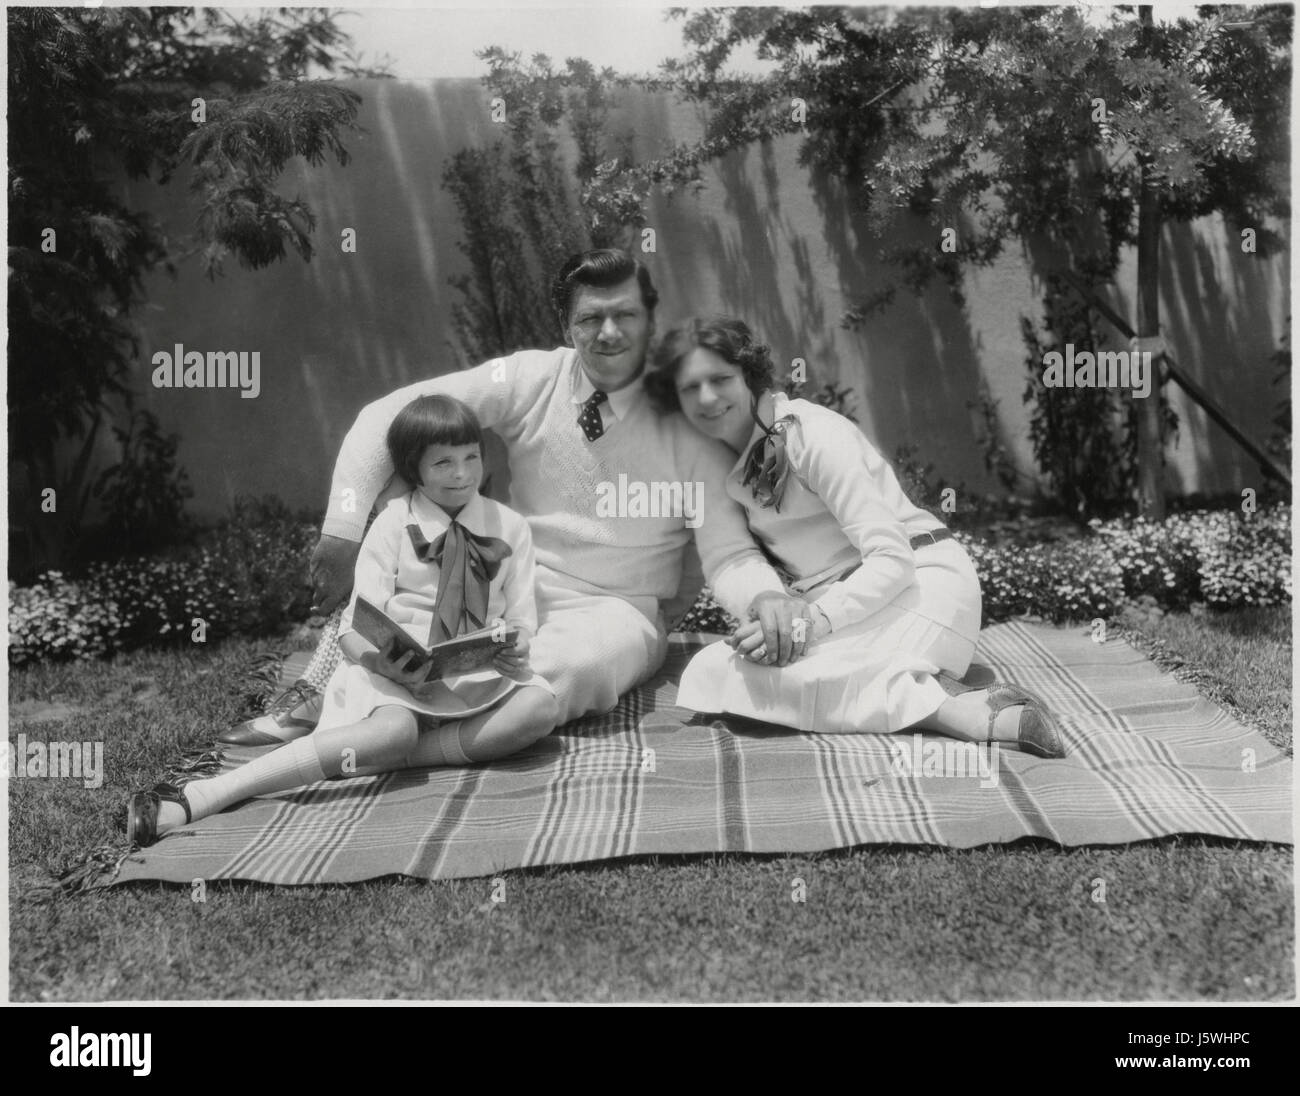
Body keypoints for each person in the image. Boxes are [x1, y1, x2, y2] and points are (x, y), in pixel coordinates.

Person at [224, 249, 795, 750]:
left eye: (625, 315)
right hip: (508, 581)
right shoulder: (530, 378)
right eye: (590, 318)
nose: (609, 333)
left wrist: (766, 596)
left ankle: (396, 734)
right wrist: (344, 530)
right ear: (565, 326)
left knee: (569, 666)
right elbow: (388, 415)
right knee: (411, 493)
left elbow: (727, 550)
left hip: (619, 611)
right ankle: (346, 695)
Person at [127, 395, 559, 845]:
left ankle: (395, 755)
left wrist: (518, 647)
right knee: (395, 727)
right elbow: (355, 631)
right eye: (444, 463)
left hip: (476, 680)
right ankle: (205, 794)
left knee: (540, 708)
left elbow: (522, 619)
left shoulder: (510, 526)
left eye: (472, 457)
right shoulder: (393, 524)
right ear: (414, 471)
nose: (463, 474)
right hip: (394, 681)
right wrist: (381, 665)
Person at [644, 316, 1066, 756]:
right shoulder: (710, 462)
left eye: (720, 379)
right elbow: (734, 558)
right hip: (843, 611)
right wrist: (772, 614)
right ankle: (929, 693)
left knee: (775, 680)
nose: (707, 398)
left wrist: (810, 622)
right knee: (714, 669)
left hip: (922, 588)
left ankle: (972, 717)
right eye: (690, 387)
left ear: (748, 376)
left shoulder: (814, 434)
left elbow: (892, 560)